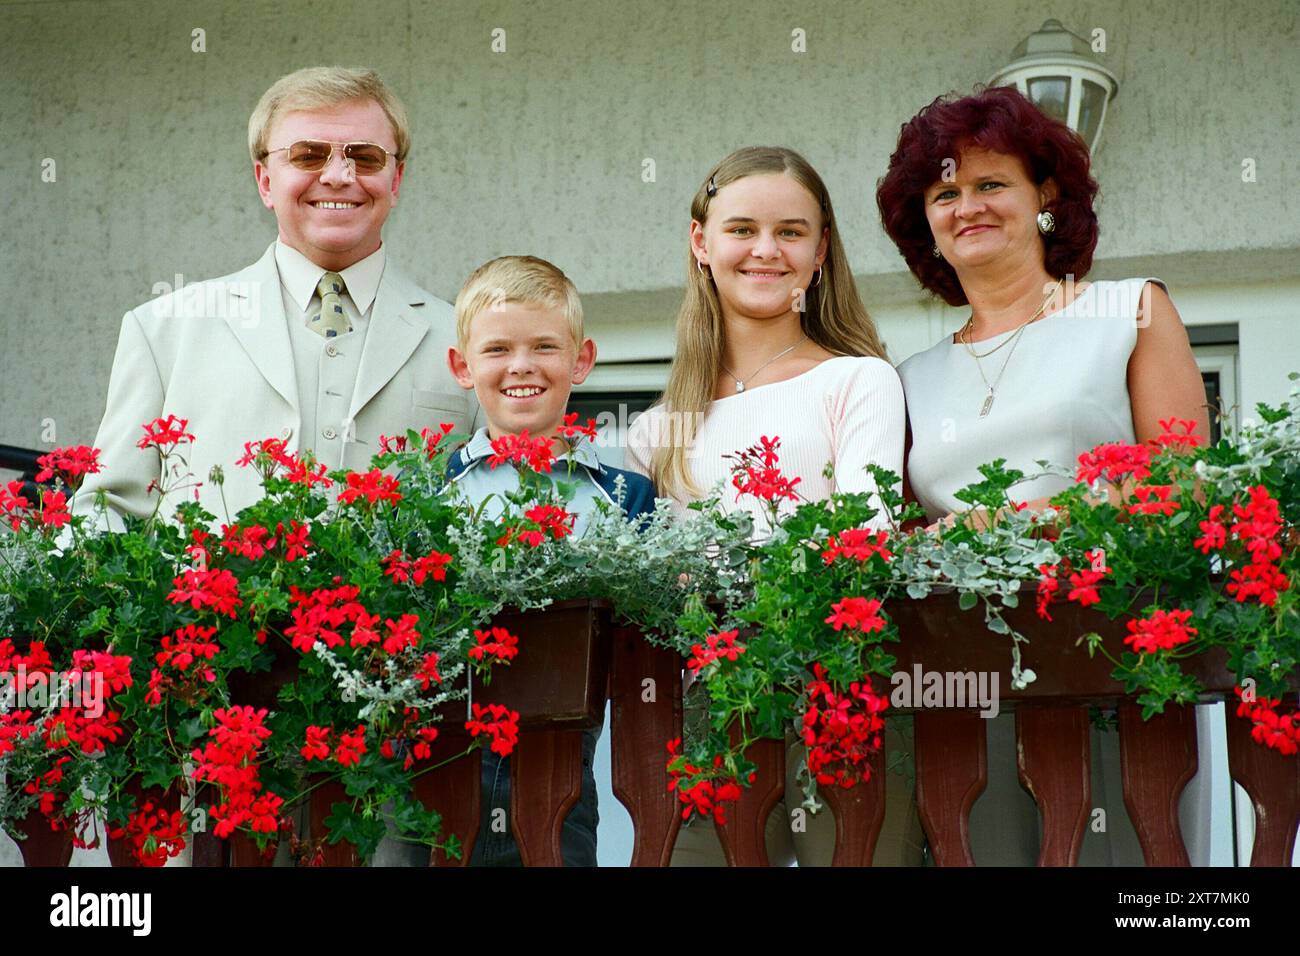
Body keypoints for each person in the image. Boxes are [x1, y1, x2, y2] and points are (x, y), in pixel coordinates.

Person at [877, 85, 1211, 865]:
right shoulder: (908, 377)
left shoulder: (1131, 310)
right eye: (945, 192)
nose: (968, 206)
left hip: (1113, 657)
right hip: (963, 683)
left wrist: (1009, 523)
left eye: (991, 184)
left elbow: (1181, 489)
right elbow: (894, 536)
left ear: (1047, 197)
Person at [625, 146, 917, 866]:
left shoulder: (859, 381)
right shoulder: (656, 429)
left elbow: (866, 537)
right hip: (706, 711)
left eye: (791, 231)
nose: (766, 250)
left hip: (843, 697)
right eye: (741, 229)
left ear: (820, 251)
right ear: (701, 242)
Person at [74, 66, 475, 531]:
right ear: (265, 181)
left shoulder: (467, 337)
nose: (339, 176)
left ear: (397, 180)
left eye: (365, 157)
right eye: (308, 155)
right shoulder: (164, 330)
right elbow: (108, 514)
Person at [443, 254, 656, 866]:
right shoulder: (429, 496)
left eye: (544, 346)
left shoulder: (626, 497)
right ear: (462, 367)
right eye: (497, 350)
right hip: (446, 760)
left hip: (566, 762)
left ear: (581, 360)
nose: (521, 366)